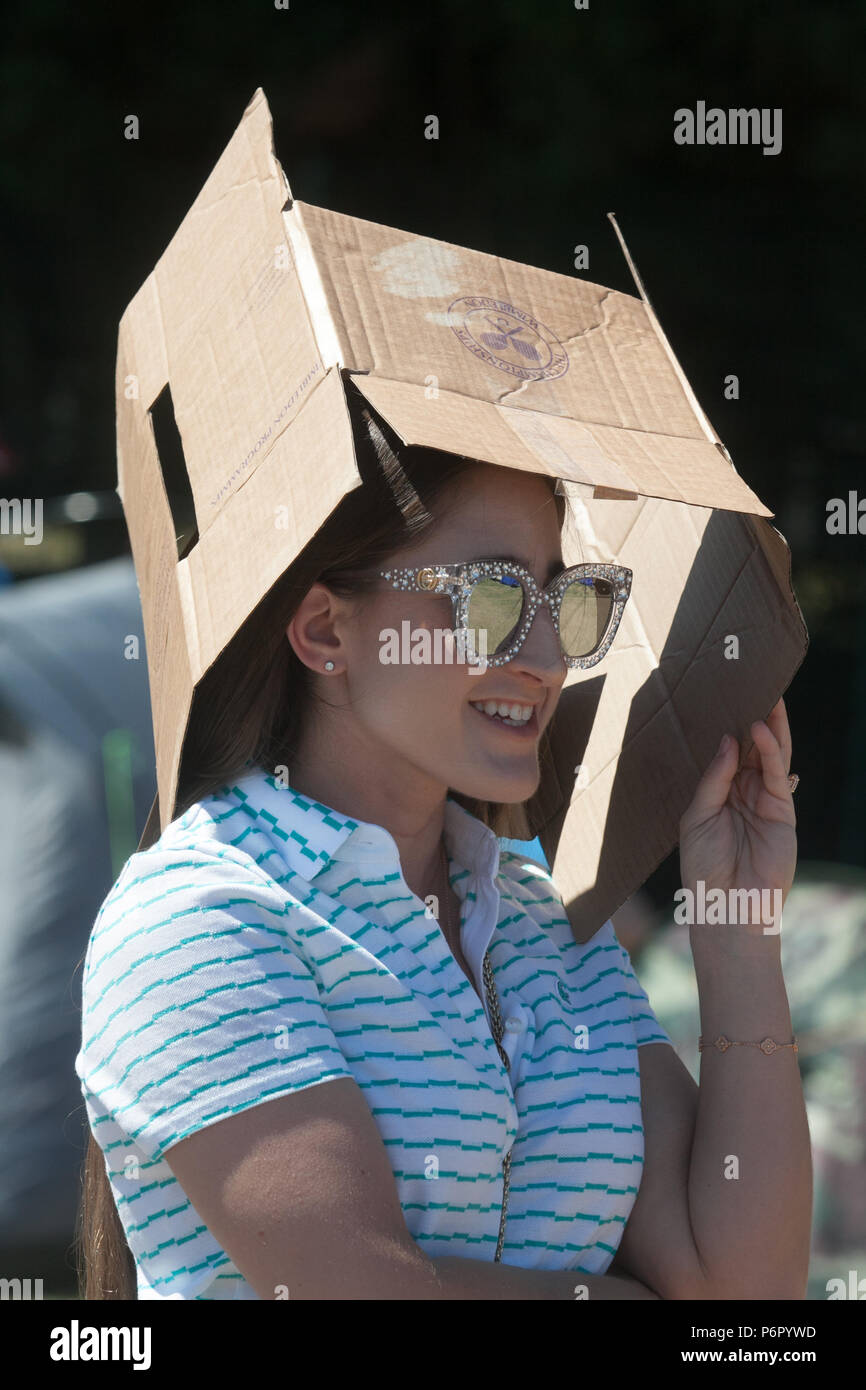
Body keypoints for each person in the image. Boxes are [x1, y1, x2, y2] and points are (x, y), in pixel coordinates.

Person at [75, 401, 811, 1300]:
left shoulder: (546, 926)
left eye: (566, 598)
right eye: (492, 597)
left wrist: (740, 931)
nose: (547, 657)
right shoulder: (201, 916)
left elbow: (746, 1300)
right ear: (324, 632)